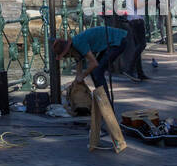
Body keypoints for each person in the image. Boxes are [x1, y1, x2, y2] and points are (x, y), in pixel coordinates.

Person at [52, 25, 129, 155]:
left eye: (66, 56)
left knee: (97, 71)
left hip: (118, 41)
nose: (67, 58)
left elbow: (94, 63)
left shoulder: (79, 44)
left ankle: (107, 107)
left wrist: (82, 76)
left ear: (68, 50)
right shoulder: (75, 47)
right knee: (95, 73)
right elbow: (79, 64)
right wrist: (77, 79)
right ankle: (105, 105)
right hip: (112, 41)